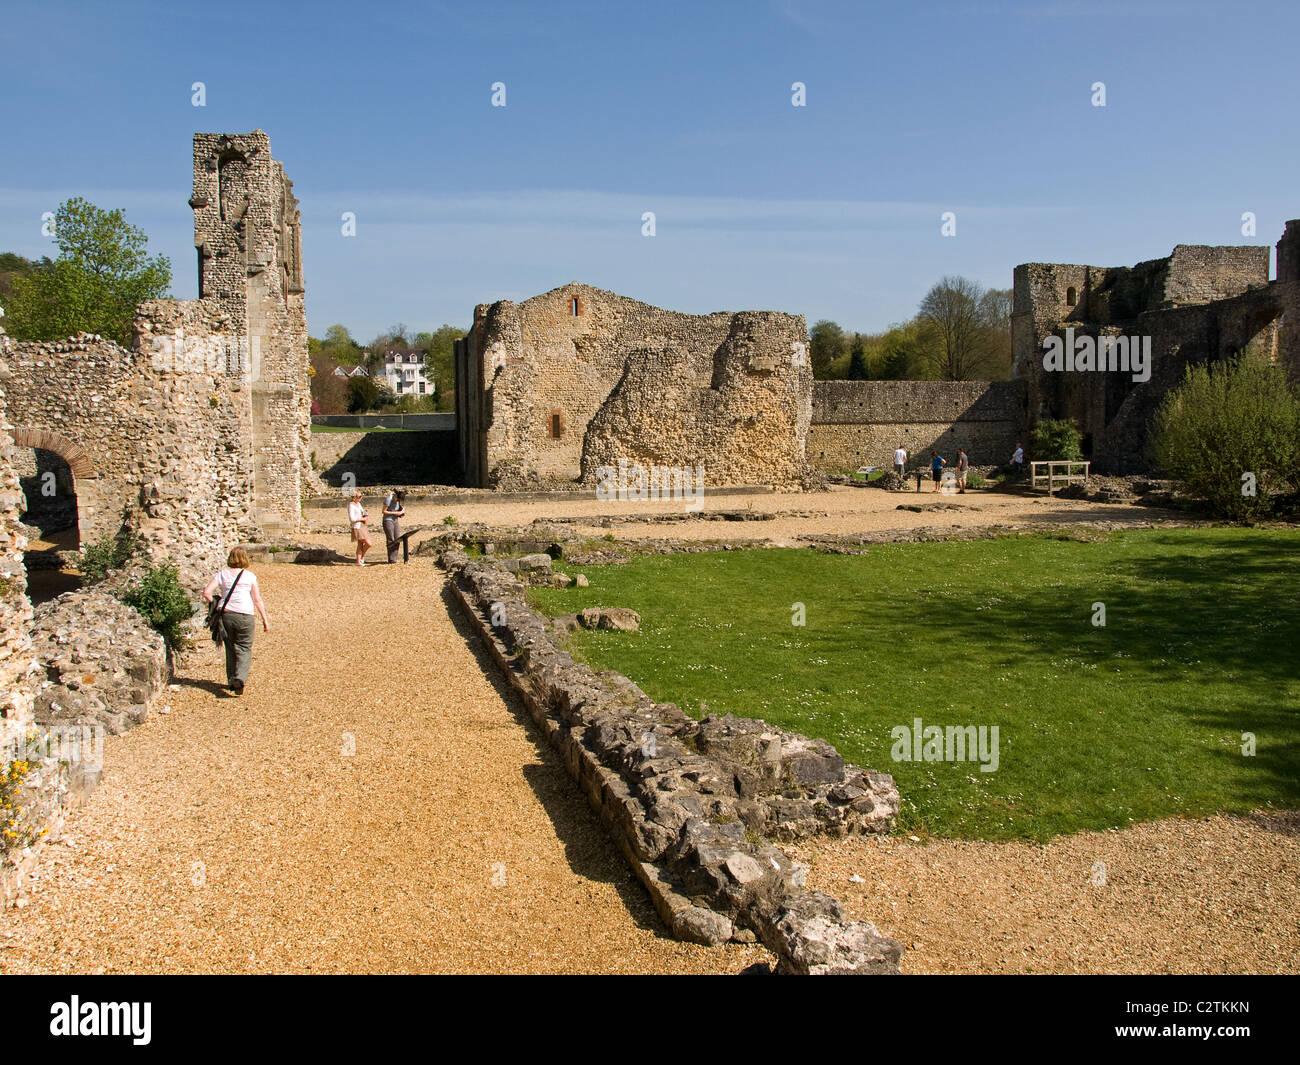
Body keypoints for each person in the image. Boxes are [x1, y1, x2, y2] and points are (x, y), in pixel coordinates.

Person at [201, 546, 270, 697]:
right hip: (245, 615)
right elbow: (257, 599)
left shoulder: (222, 574)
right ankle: (239, 678)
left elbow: (206, 593)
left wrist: (216, 603)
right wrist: (265, 619)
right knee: (244, 648)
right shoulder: (250, 576)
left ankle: (232, 679)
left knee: (230, 648)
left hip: (226, 615)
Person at [382, 488, 407, 564]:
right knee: (391, 539)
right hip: (388, 520)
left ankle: (395, 557)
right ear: (395, 496)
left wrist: (401, 513)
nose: (398, 501)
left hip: (395, 520)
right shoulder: (388, 499)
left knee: (397, 538)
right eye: (398, 500)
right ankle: (391, 559)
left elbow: (398, 509)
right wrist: (396, 513)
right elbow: (383, 511)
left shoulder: (398, 501)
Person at [348, 490, 371, 566]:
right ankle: (361, 557)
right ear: (354, 497)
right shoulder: (351, 505)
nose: (361, 498)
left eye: (361, 496)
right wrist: (362, 519)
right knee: (368, 543)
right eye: (359, 496)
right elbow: (352, 519)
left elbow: (362, 512)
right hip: (357, 526)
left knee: (360, 544)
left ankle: (359, 560)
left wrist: (365, 516)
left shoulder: (358, 504)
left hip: (362, 525)